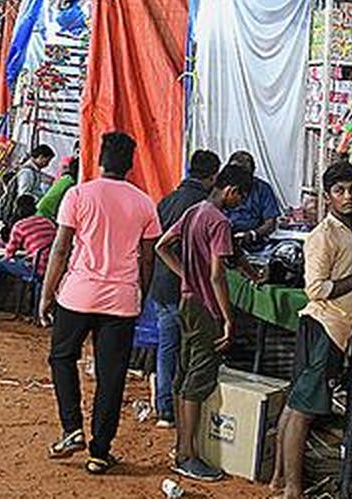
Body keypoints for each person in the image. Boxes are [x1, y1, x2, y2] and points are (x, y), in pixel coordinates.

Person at [39, 132, 160, 476]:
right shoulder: (144, 203)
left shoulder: (78, 194)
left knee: (62, 357)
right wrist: (139, 293)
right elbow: (147, 261)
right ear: (131, 165)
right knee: (112, 376)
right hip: (121, 302)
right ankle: (100, 452)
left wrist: (48, 294)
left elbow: (60, 249)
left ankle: (71, 427)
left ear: (100, 160)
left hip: (77, 294)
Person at [270, 161, 352, 499]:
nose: (348, 197)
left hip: (334, 325)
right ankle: (292, 488)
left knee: (295, 403)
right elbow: (315, 288)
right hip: (324, 325)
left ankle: (278, 479)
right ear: (328, 196)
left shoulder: (349, 232)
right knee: (303, 409)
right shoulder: (324, 235)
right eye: (340, 191)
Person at [155, 163, 254, 482]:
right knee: (198, 379)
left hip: (186, 301)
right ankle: (187, 455)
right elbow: (216, 274)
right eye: (241, 197)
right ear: (231, 191)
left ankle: (182, 447)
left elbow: (162, 247)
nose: (240, 203)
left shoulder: (195, 211)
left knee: (184, 377)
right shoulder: (219, 222)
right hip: (206, 309)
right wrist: (227, 318)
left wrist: (185, 275)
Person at [151, 150, 222, 428]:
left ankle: (166, 407)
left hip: (162, 283)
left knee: (169, 347)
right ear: (213, 176)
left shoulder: (168, 200)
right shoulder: (202, 206)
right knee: (187, 349)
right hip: (183, 289)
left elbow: (157, 244)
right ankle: (174, 408)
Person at [0, 194, 56, 314]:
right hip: (53, 266)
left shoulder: (20, 226)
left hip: (38, 268)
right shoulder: (48, 222)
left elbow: (9, 253)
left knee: (2, 264)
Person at [224, 150, 281, 249]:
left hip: (256, 242)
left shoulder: (263, 189)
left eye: (245, 174)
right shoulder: (223, 188)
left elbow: (270, 222)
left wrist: (253, 234)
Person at [0, 144, 56, 238]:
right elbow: (23, 194)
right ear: (40, 157)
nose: (47, 164)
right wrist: (38, 198)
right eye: (47, 161)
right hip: (20, 211)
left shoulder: (34, 172)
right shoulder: (27, 172)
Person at [37, 155, 79, 221]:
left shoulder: (66, 181)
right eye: (64, 167)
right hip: (46, 216)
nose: (63, 170)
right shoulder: (67, 180)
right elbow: (47, 201)